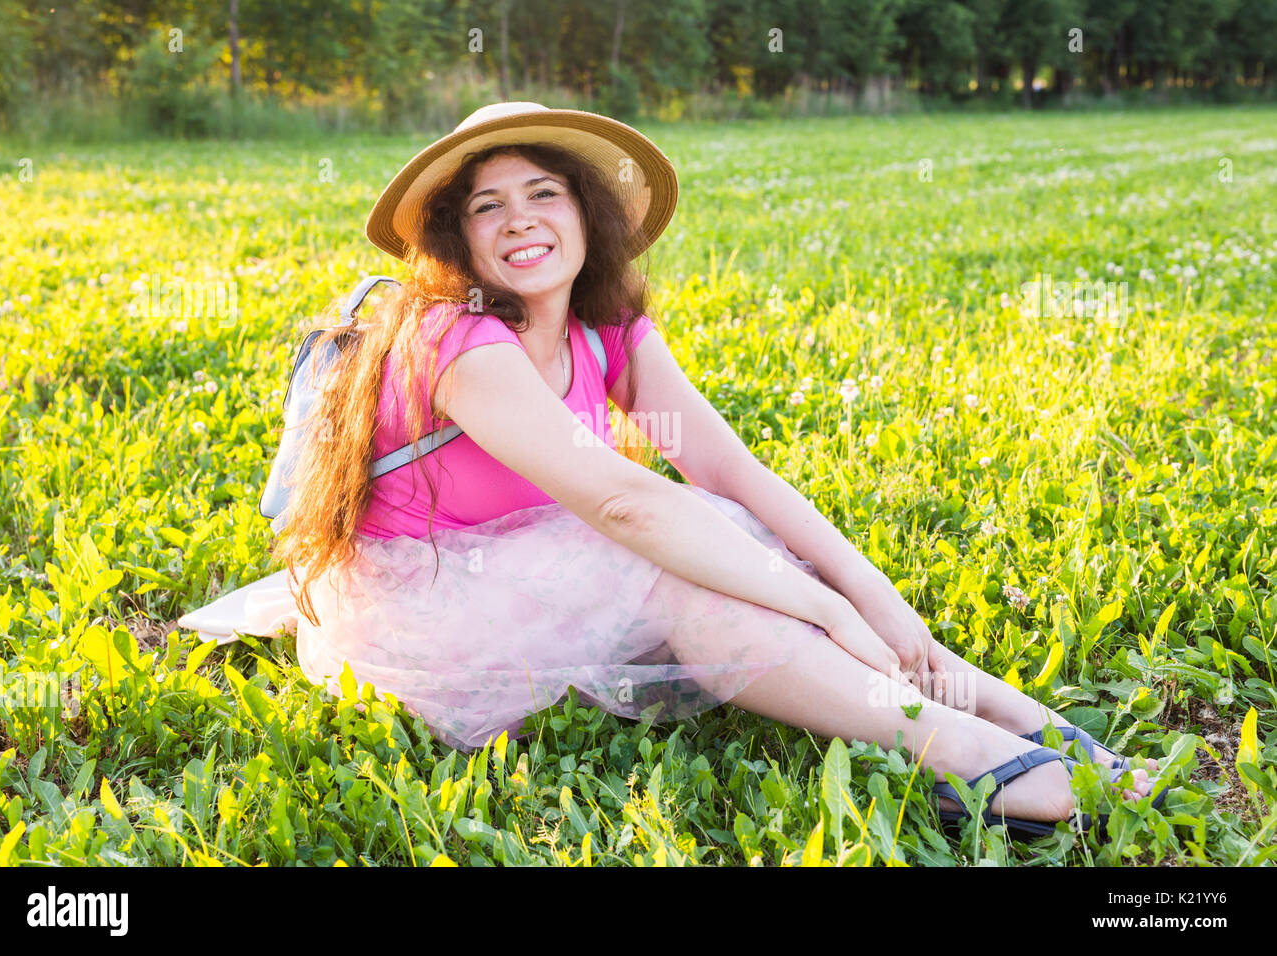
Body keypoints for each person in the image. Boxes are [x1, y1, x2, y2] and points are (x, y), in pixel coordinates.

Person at [179, 101, 1172, 839]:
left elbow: (728, 469)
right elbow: (620, 499)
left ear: (585, 212)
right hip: (427, 600)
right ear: (460, 238)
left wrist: (866, 589)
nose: (521, 220)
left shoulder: (606, 327)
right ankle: (968, 759)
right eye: (489, 206)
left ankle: (1031, 727)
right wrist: (823, 609)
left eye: (544, 193)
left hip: (547, 552)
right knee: (683, 569)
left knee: (740, 535)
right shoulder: (454, 338)